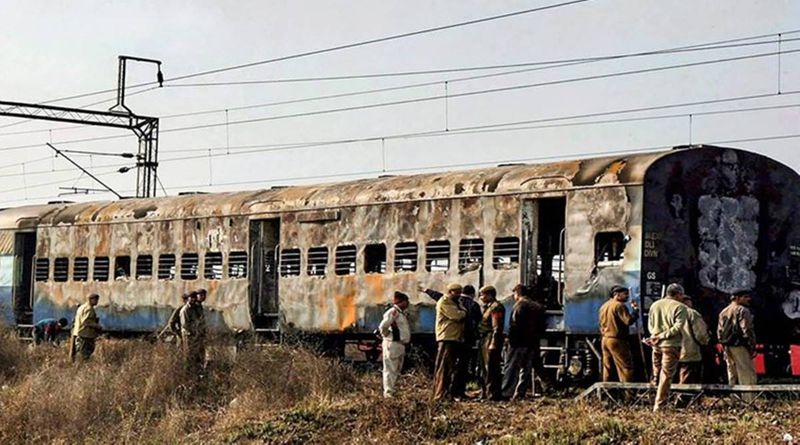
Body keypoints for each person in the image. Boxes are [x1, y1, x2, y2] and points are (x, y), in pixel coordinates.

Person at [647, 283, 688, 412]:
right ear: (678, 294)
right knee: (666, 375)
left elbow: (650, 324)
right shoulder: (681, 307)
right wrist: (663, 336)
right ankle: (659, 406)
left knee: (656, 374)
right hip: (671, 345)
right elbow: (677, 327)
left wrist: (654, 336)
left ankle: (650, 399)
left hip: (656, 345)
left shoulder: (655, 305)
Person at [502, 284, 546, 401]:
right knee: (526, 370)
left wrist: (510, 340)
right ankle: (519, 393)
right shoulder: (538, 307)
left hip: (518, 342)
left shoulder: (519, 306)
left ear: (517, 293)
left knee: (511, 368)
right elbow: (543, 327)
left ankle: (506, 392)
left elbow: (514, 325)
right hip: (532, 342)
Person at [432, 283, 467, 401]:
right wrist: (463, 312)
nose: (459, 294)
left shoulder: (455, 302)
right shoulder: (445, 302)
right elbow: (457, 316)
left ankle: (446, 393)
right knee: (444, 366)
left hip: (453, 337)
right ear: (450, 291)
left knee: (450, 367)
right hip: (447, 337)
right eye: (456, 292)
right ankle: (440, 395)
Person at [598, 285, 639, 383]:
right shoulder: (619, 306)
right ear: (616, 294)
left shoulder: (604, 306)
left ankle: (606, 393)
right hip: (617, 340)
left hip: (605, 339)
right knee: (626, 367)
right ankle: (629, 395)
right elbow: (628, 321)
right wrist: (635, 311)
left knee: (607, 367)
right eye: (625, 294)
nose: (627, 296)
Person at [717, 290, 757, 386]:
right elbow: (746, 330)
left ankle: (734, 398)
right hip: (740, 345)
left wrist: (723, 344)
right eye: (745, 297)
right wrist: (752, 346)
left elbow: (719, 331)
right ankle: (748, 399)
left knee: (732, 373)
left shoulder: (723, 311)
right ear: (737, 298)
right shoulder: (743, 310)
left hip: (727, 346)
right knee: (746, 373)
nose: (748, 299)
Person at [378, 291, 411, 398]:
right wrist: (388, 336)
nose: (408, 303)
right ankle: (388, 393)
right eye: (406, 301)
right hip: (393, 344)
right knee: (390, 369)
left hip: (400, 344)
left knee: (397, 369)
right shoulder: (393, 312)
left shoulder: (400, 313)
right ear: (401, 302)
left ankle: (393, 390)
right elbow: (383, 326)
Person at [453, 284, 482, 398]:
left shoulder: (455, 301)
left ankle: (451, 391)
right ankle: (459, 391)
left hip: (455, 337)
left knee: (453, 365)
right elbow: (478, 320)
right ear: (472, 294)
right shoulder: (473, 305)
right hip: (467, 339)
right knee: (463, 366)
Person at [478, 285, 505, 400]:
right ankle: (485, 392)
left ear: (489, 295)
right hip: (484, 338)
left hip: (490, 338)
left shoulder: (496, 307)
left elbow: (496, 327)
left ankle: (492, 394)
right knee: (483, 367)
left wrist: (493, 342)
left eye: (482, 294)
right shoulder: (488, 307)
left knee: (490, 367)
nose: (480, 297)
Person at [679, 295, 710, 384]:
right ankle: (685, 396)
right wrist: (705, 343)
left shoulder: (670, 312)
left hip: (672, 350)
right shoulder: (692, 313)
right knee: (688, 376)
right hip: (689, 350)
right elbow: (700, 333)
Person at [179, 291, 206, 373]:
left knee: (198, 355)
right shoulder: (185, 310)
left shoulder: (194, 308)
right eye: (191, 297)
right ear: (188, 299)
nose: (193, 299)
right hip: (189, 336)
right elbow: (185, 325)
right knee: (188, 355)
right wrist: (194, 332)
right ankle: (187, 373)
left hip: (196, 335)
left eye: (194, 297)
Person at [70, 293, 102, 362]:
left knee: (80, 352)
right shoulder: (89, 309)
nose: (97, 302)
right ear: (91, 299)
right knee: (84, 354)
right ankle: (81, 367)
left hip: (80, 333)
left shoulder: (82, 307)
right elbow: (85, 321)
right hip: (85, 334)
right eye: (96, 300)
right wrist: (97, 325)